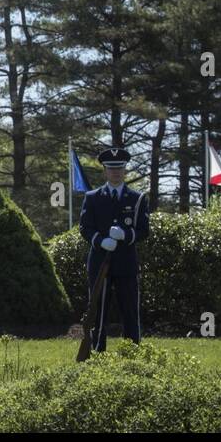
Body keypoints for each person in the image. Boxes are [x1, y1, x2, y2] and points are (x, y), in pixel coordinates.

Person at [78, 147, 149, 353]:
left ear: (125, 170)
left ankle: (131, 353)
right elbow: (85, 227)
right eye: (111, 168)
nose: (116, 172)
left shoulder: (137, 198)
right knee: (98, 310)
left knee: (129, 311)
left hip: (126, 263)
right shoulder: (93, 197)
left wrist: (126, 236)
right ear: (105, 171)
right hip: (100, 262)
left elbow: (144, 230)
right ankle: (97, 351)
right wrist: (100, 240)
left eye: (119, 168)